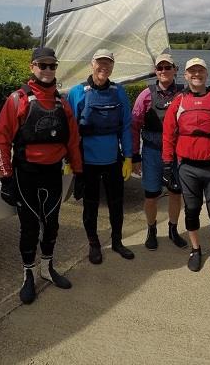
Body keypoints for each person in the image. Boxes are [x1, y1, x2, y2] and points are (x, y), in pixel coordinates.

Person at [0, 47, 83, 305]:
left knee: (52, 224)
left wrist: (79, 173)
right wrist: (6, 178)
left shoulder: (62, 103)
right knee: (30, 227)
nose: (47, 70)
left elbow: (73, 142)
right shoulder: (17, 99)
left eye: (52, 66)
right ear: (32, 67)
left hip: (53, 173)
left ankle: (47, 268)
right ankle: (28, 275)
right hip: (26, 174)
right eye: (42, 65)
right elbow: (1, 140)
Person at [162, 57, 210, 274]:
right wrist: (168, 164)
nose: (196, 74)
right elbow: (169, 134)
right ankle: (195, 250)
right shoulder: (179, 102)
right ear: (185, 75)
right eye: (192, 71)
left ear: (206, 74)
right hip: (187, 168)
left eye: (200, 71)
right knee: (192, 210)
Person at [67, 49, 135, 264]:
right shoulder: (77, 92)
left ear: (112, 66)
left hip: (113, 159)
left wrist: (128, 157)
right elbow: (71, 131)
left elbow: (125, 126)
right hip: (87, 161)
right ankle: (94, 244)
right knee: (90, 205)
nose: (103, 67)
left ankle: (117, 241)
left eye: (108, 63)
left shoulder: (119, 92)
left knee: (116, 203)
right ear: (92, 64)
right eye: (100, 63)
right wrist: (70, 159)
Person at [130, 53, 188, 250]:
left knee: (175, 193)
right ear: (156, 71)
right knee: (151, 196)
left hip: (177, 154)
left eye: (167, 67)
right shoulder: (146, 95)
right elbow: (134, 126)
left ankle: (173, 229)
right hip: (152, 153)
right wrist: (135, 156)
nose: (164, 71)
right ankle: (151, 230)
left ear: (175, 69)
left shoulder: (184, 93)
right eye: (160, 68)